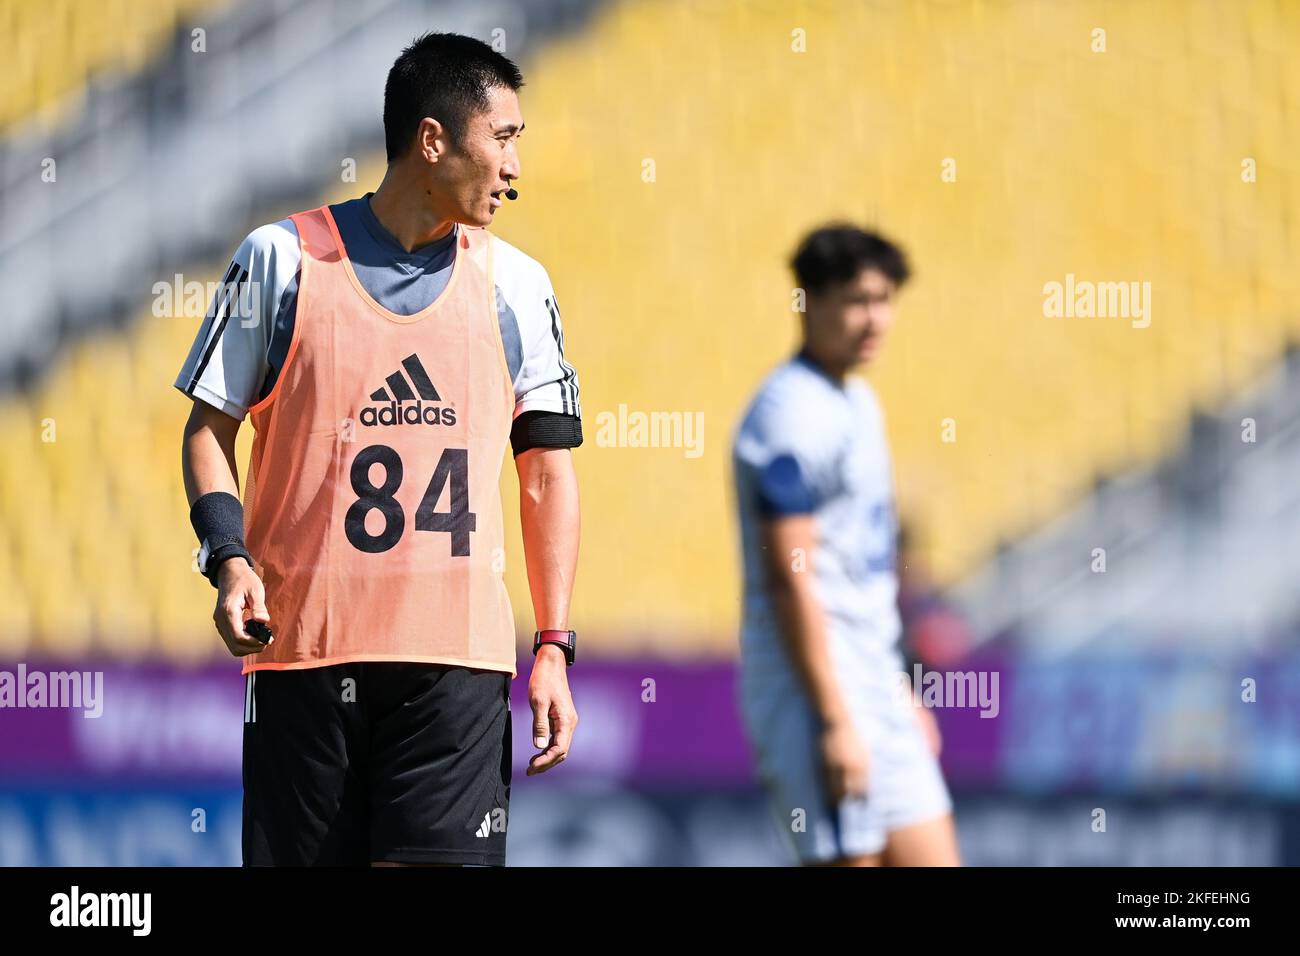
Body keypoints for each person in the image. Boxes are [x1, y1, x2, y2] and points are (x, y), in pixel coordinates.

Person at [175, 32, 581, 866]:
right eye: (503, 139)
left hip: (456, 671)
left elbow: (545, 475)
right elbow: (208, 430)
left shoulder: (519, 284)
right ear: (433, 141)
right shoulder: (280, 260)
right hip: (303, 662)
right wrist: (229, 559)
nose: (514, 169)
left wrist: (553, 645)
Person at [732, 224, 960, 866]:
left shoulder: (857, 401)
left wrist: (897, 691)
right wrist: (835, 720)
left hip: (875, 687)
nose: (875, 319)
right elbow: (790, 576)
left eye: (885, 299)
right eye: (857, 300)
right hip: (815, 696)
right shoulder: (788, 415)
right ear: (809, 301)